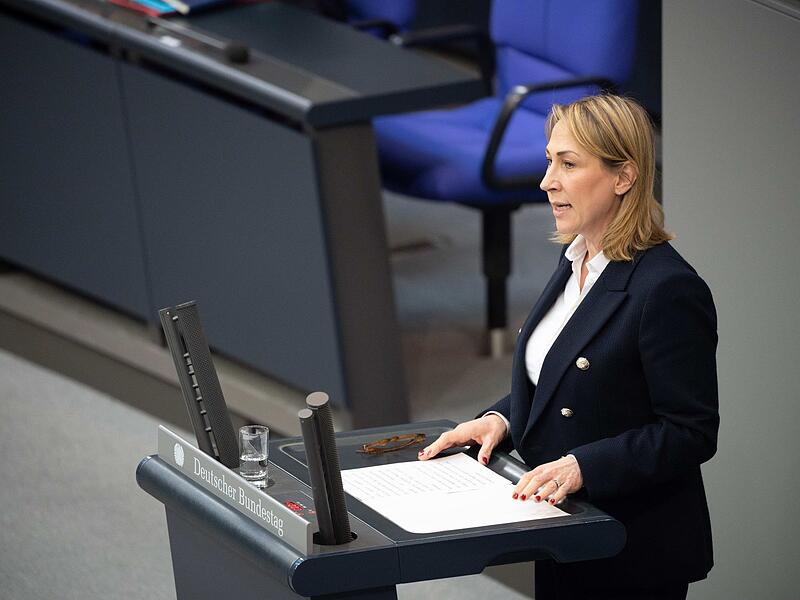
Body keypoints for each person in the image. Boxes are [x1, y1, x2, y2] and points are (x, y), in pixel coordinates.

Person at [418, 94, 719, 600]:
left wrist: (584, 466)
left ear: (624, 177)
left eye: (569, 164)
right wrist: (502, 419)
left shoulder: (667, 289)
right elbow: (561, 383)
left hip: (629, 547)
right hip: (561, 526)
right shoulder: (576, 261)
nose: (547, 181)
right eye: (549, 161)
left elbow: (690, 432)